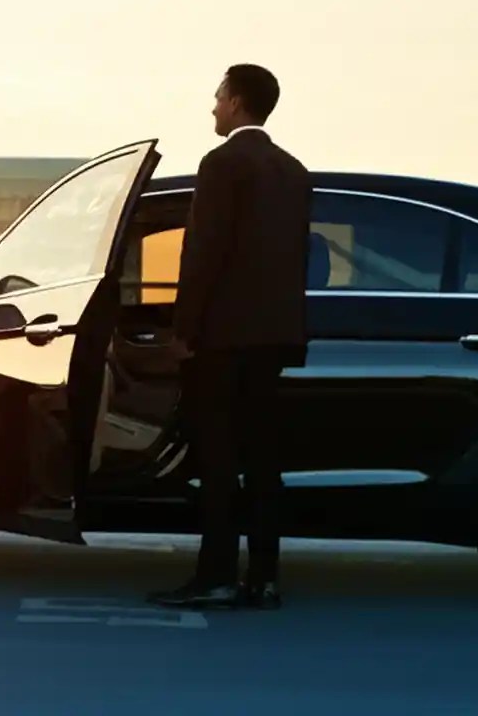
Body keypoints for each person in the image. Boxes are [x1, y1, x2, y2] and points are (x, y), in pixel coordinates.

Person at [148, 64, 311, 610]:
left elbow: (204, 253)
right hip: (274, 341)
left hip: (221, 342)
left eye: (218, 98)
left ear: (238, 103)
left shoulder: (221, 164)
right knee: (265, 464)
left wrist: (182, 331)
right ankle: (264, 578)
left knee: (217, 463)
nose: (214, 108)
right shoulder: (293, 170)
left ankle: (215, 576)